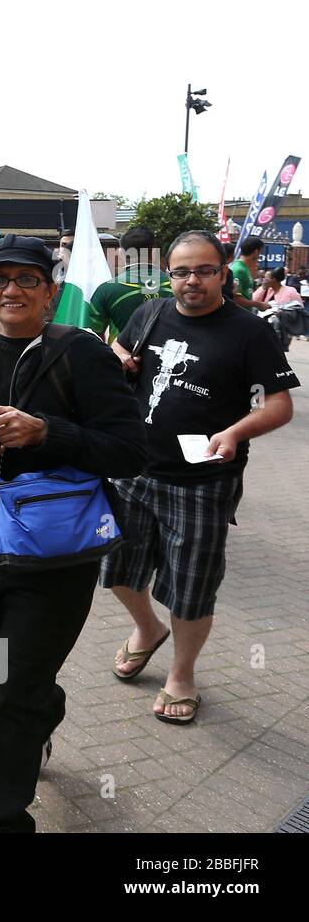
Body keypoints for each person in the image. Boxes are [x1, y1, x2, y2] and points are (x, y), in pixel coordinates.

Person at [0, 234, 147, 832]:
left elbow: (130, 450)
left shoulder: (81, 353)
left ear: (51, 292)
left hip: (53, 556)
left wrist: (47, 432)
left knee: (8, 691)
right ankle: (42, 709)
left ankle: (1, 821)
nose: (12, 291)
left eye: (28, 280)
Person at [105, 230, 298, 725]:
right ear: (167, 274)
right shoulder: (148, 314)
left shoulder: (249, 331)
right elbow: (117, 357)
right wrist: (117, 361)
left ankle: (182, 675)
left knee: (191, 588)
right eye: (181, 271)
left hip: (203, 482)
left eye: (204, 270)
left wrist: (234, 432)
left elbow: (279, 405)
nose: (192, 281)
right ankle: (147, 630)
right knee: (117, 572)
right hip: (132, 469)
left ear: (223, 271)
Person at [87, 226, 171, 342]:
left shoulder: (106, 289)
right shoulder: (175, 284)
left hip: (121, 357)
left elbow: (94, 334)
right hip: (167, 356)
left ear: (121, 253)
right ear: (153, 252)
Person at [230, 238, 271, 311]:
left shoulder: (245, 268)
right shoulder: (238, 270)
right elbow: (236, 299)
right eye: (260, 252)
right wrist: (258, 304)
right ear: (256, 251)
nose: (260, 255)